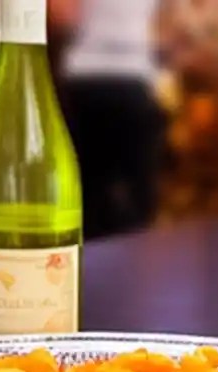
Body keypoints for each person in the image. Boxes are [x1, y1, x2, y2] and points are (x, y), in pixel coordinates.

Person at [57, 0, 169, 240]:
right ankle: (131, 256)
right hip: (133, 73)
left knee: (85, 185)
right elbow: (169, 27)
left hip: (85, 73)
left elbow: (63, 14)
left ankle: (85, 261)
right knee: (138, 189)